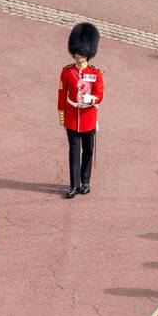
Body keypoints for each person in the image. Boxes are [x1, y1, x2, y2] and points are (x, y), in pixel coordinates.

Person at [58, 22, 103, 198]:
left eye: (81, 53)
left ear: (88, 53)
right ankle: (74, 185)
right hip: (72, 117)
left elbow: (99, 93)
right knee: (74, 152)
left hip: (88, 117)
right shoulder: (67, 72)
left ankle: (85, 182)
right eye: (76, 52)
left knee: (88, 151)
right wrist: (62, 116)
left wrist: (92, 99)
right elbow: (62, 94)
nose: (77, 56)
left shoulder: (96, 73)